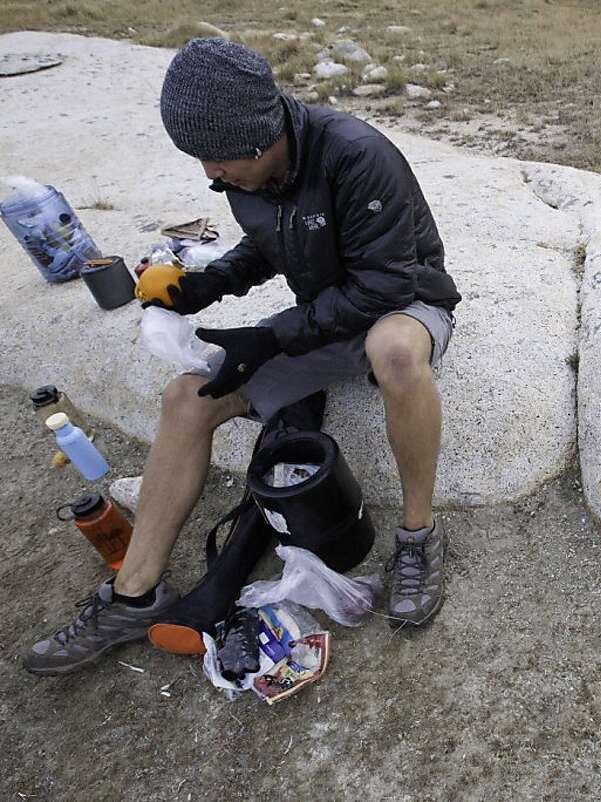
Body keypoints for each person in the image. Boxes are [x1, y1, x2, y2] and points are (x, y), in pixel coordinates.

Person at [25, 38, 460, 675]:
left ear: (263, 138)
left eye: (218, 159)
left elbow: (385, 286)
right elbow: (264, 245)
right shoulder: (245, 171)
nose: (209, 174)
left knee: (392, 350)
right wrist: (207, 284)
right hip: (323, 319)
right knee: (186, 396)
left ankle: (419, 540)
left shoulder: (359, 156)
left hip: (403, 305)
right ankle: (134, 594)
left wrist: (274, 335)